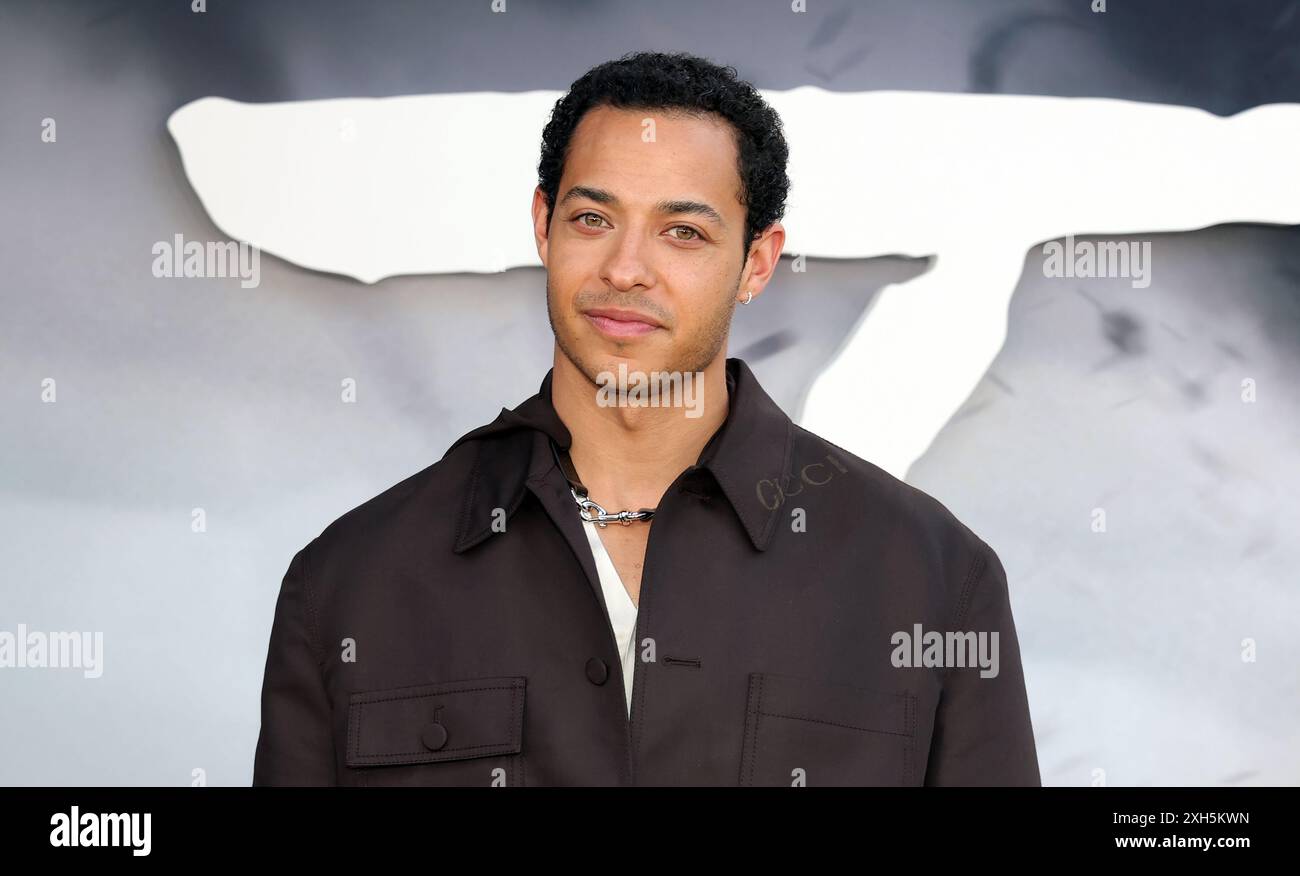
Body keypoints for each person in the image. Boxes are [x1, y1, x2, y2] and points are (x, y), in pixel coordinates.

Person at [252, 51, 1040, 786]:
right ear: (543, 225)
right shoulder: (350, 582)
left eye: (683, 232)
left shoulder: (932, 580)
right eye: (593, 219)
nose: (626, 269)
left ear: (757, 262)